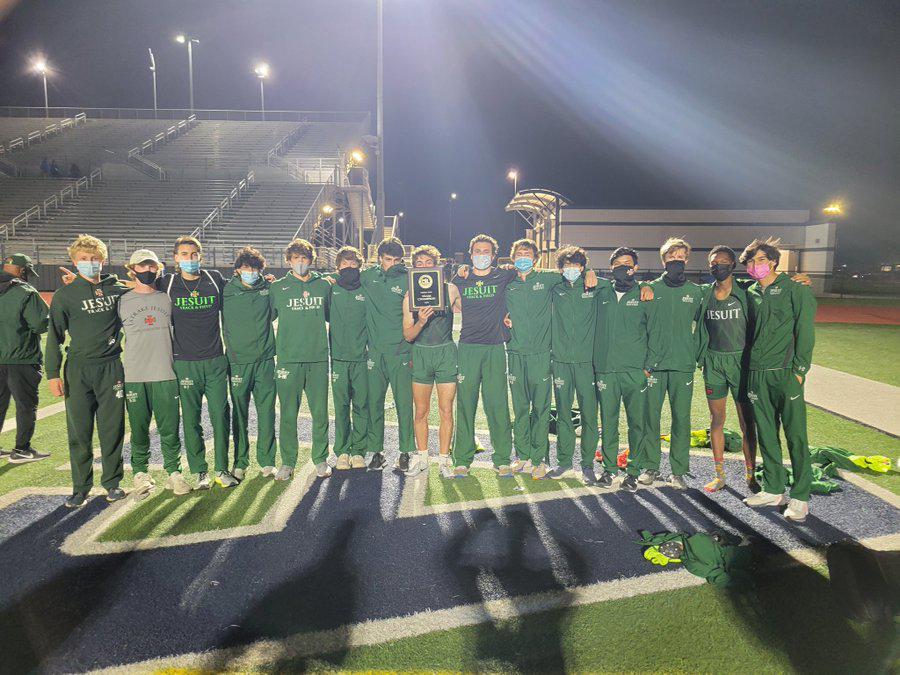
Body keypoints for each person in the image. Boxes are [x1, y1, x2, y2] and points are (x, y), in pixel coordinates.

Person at [46, 235, 128, 508]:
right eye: (84, 260)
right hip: (78, 370)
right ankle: (80, 486)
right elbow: (54, 336)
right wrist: (53, 374)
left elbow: (144, 286)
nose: (90, 263)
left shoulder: (116, 288)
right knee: (79, 431)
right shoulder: (65, 294)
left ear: (103, 261)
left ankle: (112, 483)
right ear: (74, 262)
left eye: (95, 259)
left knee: (112, 428)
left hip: (111, 367)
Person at [740, 238, 816, 523]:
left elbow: (805, 330)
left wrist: (800, 369)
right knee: (767, 434)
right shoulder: (750, 293)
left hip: (786, 374)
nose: (754, 266)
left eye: (759, 259)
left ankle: (800, 496)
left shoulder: (796, 289)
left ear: (773, 261)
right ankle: (773, 488)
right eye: (750, 262)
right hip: (757, 373)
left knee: (796, 436)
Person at [162, 236, 234, 489]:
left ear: (200, 256)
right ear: (175, 257)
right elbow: (139, 285)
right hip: (185, 362)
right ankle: (200, 471)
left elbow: (239, 292)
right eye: (184, 254)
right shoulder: (168, 283)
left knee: (220, 415)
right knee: (191, 419)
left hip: (215, 360)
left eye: (194, 254)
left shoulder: (214, 279)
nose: (190, 259)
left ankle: (222, 469)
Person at [118, 249, 190, 496]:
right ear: (132, 269)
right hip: (135, 375)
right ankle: (140, 473)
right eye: (142, 266)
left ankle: (174, 473)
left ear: (157, 269)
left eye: (151, 267)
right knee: (138, 430)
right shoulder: (122, 300)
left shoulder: (166, 298)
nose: (147, 271)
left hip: (165, 373)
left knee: (170, 428)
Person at [593, 247, 661, 491]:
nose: (624, 267)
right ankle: (609, 470)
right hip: (606, 370)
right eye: (619, 264)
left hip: (635, 371)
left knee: (637, 424)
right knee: (608, 423)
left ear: (636, 268)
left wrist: (648, 367)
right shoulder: (601, 292)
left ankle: (633, 471)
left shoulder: (645, 294)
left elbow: (655, 331)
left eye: (628, 264)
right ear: (611, 268)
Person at [451, 234, 517, 477]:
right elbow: (446, 299)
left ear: (493, 255)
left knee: (497, 404)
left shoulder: (503, 275)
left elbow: (530, 276)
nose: (481, 255)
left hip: (494, 348)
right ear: (470, 254)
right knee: (465, 405)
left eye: (486, 251)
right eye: (477, 250)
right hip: (468, 348)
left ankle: (501, 458)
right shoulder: (461, 278)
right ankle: (461, 458)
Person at [643, 238, 704, 489]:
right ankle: (650, 467)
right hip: (654, 365)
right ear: (663, 261)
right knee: (650, 418)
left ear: (687, 260)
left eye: (681, 256)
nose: (676, 260)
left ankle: (678, 471)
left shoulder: (696, 292)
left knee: (681, 419)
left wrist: (696, 355)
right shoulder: (649, 289)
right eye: (671, 257)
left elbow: (704, 325)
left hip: (682, 365)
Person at [697, 245, 758, 493]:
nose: (718, 265)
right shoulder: (704, 293)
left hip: (740, 363)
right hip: (713, 363)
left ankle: (751, 475)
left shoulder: (746, 292)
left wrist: (797, 281)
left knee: (747, 423)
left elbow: (771, 287)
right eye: (713, 262)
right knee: (717, 419)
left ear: (733, 265)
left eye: (723, 262)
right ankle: (720, 475)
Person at [269, 239, 332, 479]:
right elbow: (266, 318)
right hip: (288, 359)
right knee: (287, 414)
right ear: (288, 261)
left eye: (305, 258)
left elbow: (331, 315)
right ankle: (287, 462)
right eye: (296, 258)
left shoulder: (323, 285)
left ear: (311, 260)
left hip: (317, 358)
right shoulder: (278, 288)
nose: (300, 262)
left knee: (320, 413)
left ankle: (320, 459)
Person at [402, 244, 461, 477]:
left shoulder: (451, 290)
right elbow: (408, 335)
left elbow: (475, 310)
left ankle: (445, 460)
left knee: (446, 410)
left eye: (429, 263)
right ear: (413, 267)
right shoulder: (410, 296)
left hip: (446, 353)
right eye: (419, 264)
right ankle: (423, 457)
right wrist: (421, 322)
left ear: (437, 265)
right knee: (421, 412)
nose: (424, 267)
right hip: (421, 353)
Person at [360, 237, 415, 472]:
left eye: (396, 260)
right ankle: (377, 452)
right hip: (375, 351)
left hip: (401, 351)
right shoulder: (368, 276)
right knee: (375, 403)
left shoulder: (408, 279)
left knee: (404, 404)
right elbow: (344, 277)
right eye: (387, 259)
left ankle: (405, 452)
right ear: (379, 257)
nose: (391, 264)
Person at [222, 246, 277, 481]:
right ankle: (240, 462)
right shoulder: (225, 291)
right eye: (246, 268)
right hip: (238, 362)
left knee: (267, 413)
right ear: (237, 270)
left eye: (255, 269)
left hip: (265, 361)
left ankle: (267, 461)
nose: (250, 272)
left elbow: (274, 312)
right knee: (239, 414)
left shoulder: (268, 289)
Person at [548, 246, 601, 484]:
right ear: (560, 269)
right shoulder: (555, 288)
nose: (571, 270)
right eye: (566, 266)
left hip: (587, 363)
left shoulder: (594, 286)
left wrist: (592, 272)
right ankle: (564, 463)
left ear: (582, 267)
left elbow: (619, 284)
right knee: (563, 415)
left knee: (590, 415)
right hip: (560, 362)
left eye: (576, 266)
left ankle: (587, 465)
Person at [0, 253, 50, 464]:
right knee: (26, 405)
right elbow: (40, 324)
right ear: (22, 271)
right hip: (22, 358)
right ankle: (21, 449)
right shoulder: (25, 292)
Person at [328, 246, 369, 471]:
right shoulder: (330, 287)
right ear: (337, 267)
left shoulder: (367, 287)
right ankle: (342, 450)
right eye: (345, 263)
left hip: (362, 358)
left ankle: (359, 450)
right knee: (341, 406)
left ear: (359, 266)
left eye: (353, 263)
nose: (349, 267)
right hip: (339, 359)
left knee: (362, 405)